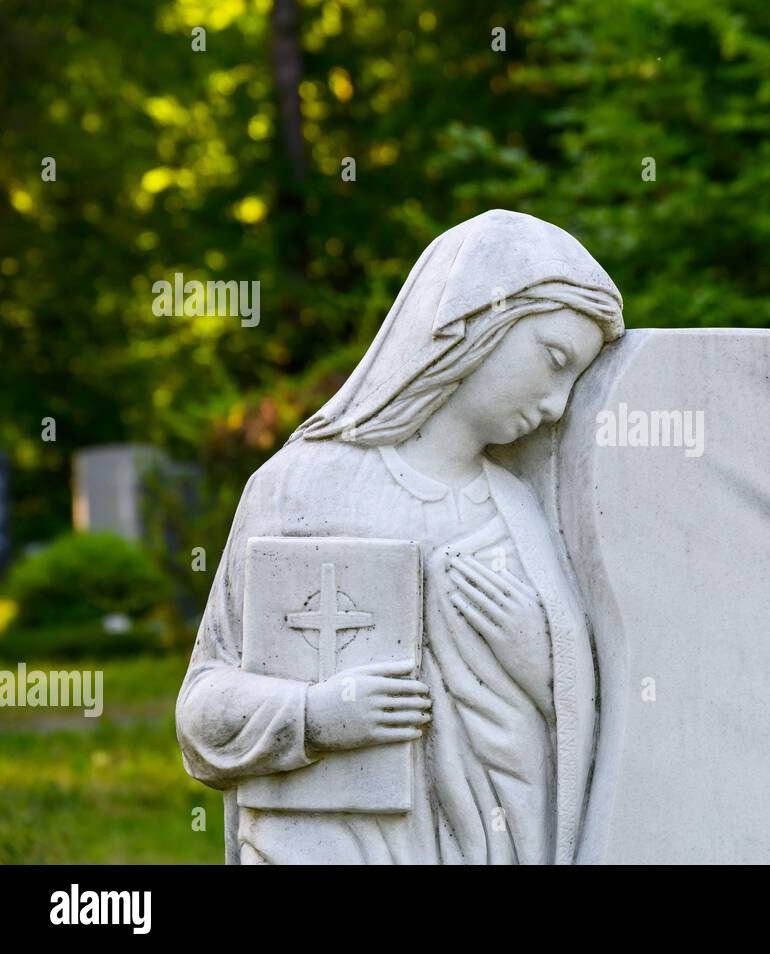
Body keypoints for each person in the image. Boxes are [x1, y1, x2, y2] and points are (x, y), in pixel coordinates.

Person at [176, 209, 623, 864]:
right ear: (477, 323)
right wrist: (316, 716)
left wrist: (540, 656)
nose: (557, 404)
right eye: (553, 360)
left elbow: (581, 729)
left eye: (573, 380)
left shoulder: (521, 518)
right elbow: (202, 714)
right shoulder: (296, 488)